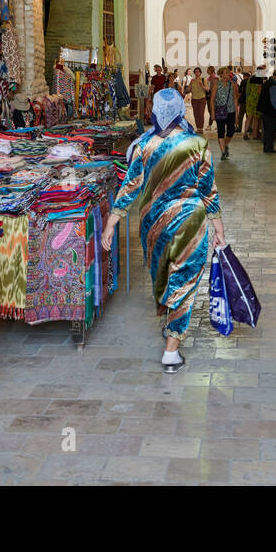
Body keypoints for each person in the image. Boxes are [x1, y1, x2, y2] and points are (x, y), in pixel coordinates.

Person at [101, 89, 227, 374]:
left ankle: (170, 324)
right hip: (188, 223)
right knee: (183, 279)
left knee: (162, 273)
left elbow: (129, 186)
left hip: (152, 223)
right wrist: (219, 229)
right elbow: (209, 192)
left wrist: (111, 222)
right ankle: (171, 351)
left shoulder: (143, 144)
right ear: (180, 112)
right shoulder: (197, 144)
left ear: (155, 111)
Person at [213, 66, 238, 160]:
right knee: (221, 131)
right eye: (226, 72)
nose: (228, 74)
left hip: (231, 111)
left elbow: (235, 99)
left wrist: (236, 114)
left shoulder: (233, 84)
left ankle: (225, 144)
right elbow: (212, 99)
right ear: (221, 74)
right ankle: (223, 152)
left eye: (228, 72)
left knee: (231, 131)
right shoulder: (216, 85)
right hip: (219, 111)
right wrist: (212, 112)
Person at [258, 68, 276, 153]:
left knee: (267, 130)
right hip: (269, 111)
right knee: (270, 130)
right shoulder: (272, 85)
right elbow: (273, 99)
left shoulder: (269, 83)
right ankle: (269, 148)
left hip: (265, 110)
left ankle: (267, 147)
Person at [243, 65, 266, 140]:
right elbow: (259, 91)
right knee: (256, 118)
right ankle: (255, 135)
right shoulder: (260, 80)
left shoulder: (250, 78)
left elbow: (247, 90)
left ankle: (245, 133)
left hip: (249, 100)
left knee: (249, 118)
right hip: (256, 101)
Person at [189, 66, 208, 130]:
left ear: (200, 73)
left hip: (202, 99)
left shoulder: (203, 80)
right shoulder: (192, 80)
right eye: (195, 72)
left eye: (198, 72)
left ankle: (201, 128)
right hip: (194, 99)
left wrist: (202, 86)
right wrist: (190, 85)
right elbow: (188, 90)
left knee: (201, 114)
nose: (197, 73)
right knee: (196, 114)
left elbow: (207, 89)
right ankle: (198, 128)